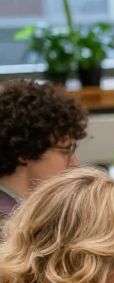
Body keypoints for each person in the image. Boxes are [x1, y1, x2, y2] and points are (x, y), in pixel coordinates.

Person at [0, 78, 87, 223]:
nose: (75, 163)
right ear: (25, 152)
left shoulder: (25, 213)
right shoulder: (10, 229)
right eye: (66, 151)